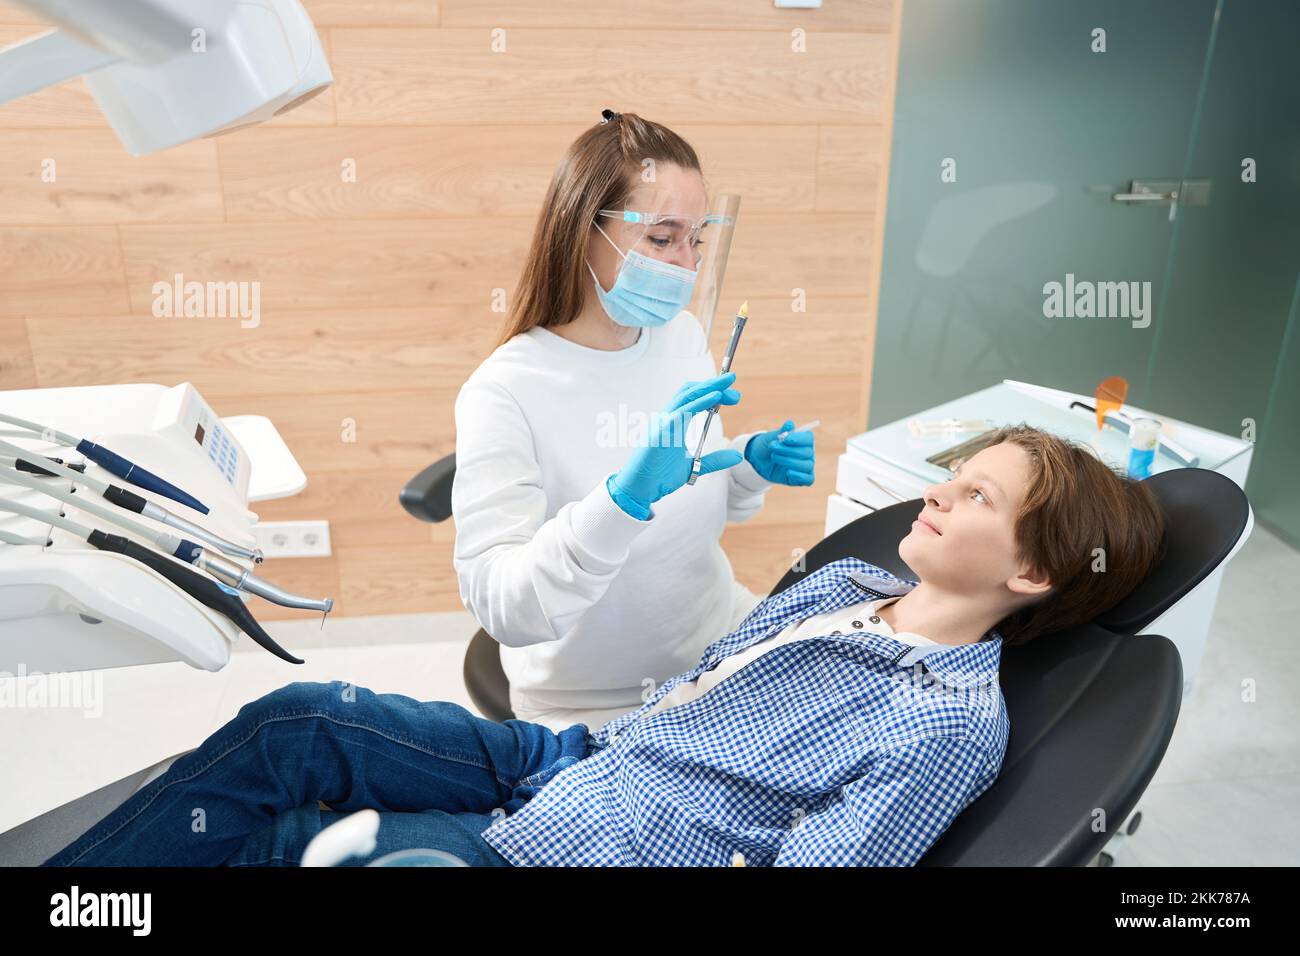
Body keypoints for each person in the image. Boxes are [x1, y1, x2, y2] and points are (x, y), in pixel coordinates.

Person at [41, 425, 1165, 867]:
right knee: (296, 722)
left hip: (601, 853)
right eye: (949, 473)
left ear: (1029, 571)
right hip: (572, 762)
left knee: (307, 844)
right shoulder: (850, 578)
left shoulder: (942, 724)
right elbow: (700, 690)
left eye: (971, 494)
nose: (935, 493)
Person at [451, 109, 816, 732]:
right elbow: (505, 607)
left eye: (695, 239)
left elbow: (703, 502)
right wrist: (621, 501)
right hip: (591, 705)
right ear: (581, 230)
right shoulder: (505, 390)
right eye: (661, 236)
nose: (685, 264)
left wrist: (749, 469)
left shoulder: (682, 336)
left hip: (718, 649)